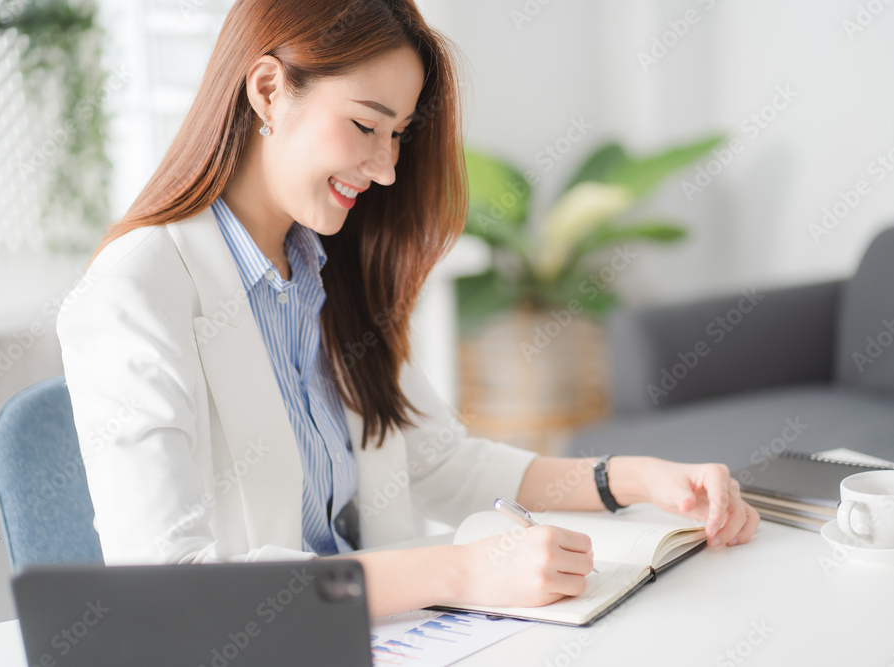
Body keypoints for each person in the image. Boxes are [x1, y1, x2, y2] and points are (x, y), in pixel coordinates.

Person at [56, 0, 759, 619]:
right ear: (268, 90)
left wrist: (636, 478)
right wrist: (463, 571)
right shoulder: (137, 290)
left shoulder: (324, 269)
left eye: (398, 135)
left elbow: (444, 466)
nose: (388, 167)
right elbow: (166, 591)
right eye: (366, 125)